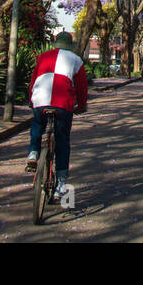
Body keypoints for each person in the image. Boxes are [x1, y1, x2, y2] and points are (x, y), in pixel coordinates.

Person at [25, 32, 88, 196]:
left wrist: (32, 102)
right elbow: (81, 88)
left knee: (37, 126)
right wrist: (81, 106)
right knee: (62, 141)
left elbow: (33, 81)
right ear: (70, 45)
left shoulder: (43, 57)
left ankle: (33, 153)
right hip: (63, 104)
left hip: (40, 100)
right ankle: (61, 183)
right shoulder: (76, 60)